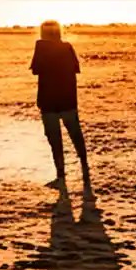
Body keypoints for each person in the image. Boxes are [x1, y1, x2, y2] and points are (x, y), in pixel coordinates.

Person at [30, 20, 91, 193]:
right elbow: (75, 69)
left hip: (49, 102)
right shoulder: (67, 47)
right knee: (75, 135)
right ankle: (85, 171)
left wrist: (41, 47)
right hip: (67, 99)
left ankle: (61, 176)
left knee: (55, 140)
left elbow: (36, 69)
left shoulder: (41, 48)